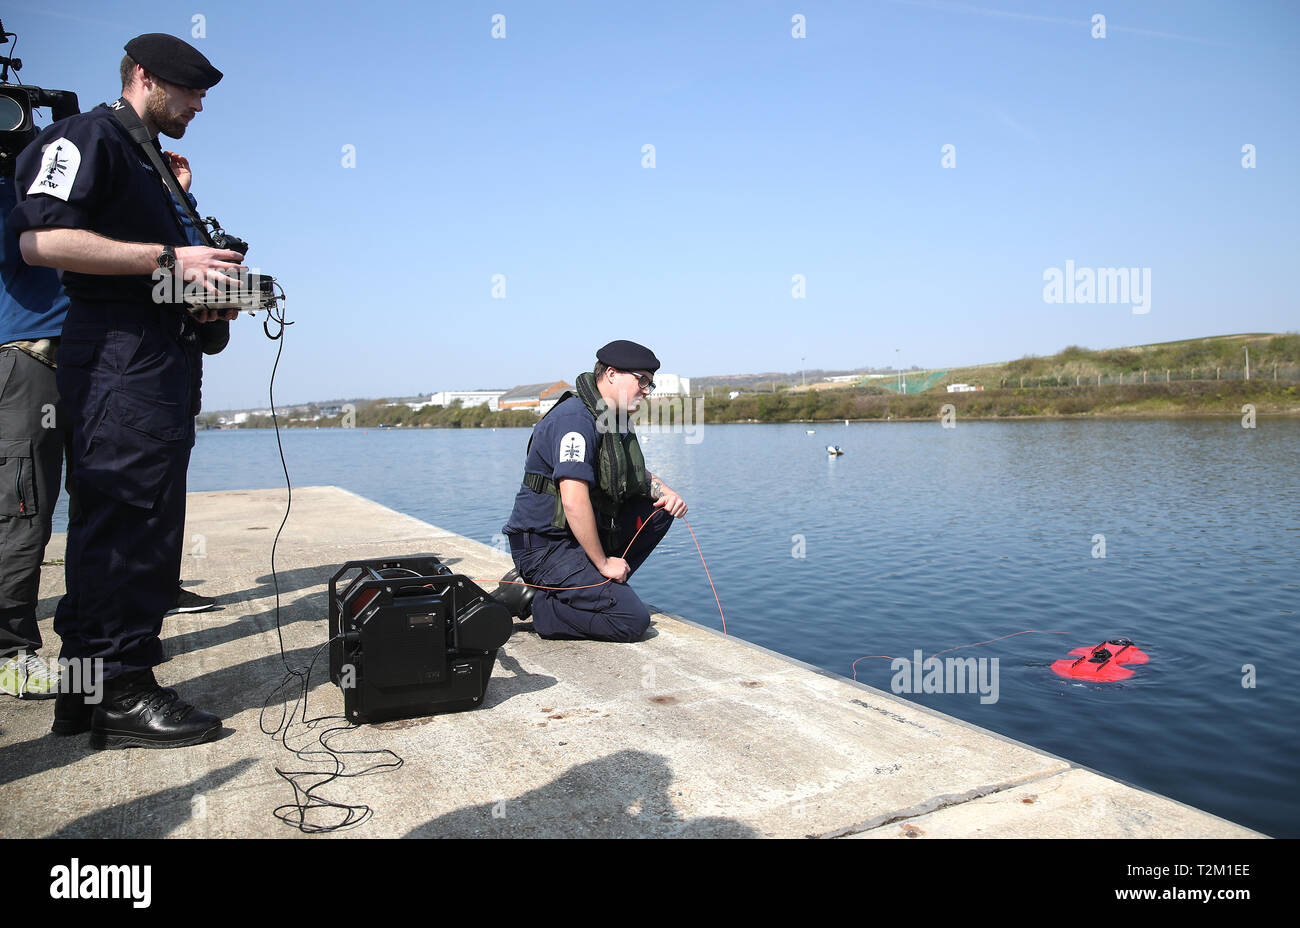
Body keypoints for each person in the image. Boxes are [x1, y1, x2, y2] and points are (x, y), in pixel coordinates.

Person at [10, 33, 241, 747]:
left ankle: (84, 692)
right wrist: (171, 257)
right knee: (131, 526)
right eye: (190, 91)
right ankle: (124, 690)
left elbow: (144, 270)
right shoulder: (87, 137)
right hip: (120, 362)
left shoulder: (152, 164)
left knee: (116, 521)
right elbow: (40, 242)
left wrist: (200, 291)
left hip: (151, 358)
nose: (199, 105)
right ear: (145, 78)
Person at [499, 340, 688, 642]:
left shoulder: (612, 418)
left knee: (659, 510)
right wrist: (602, 563)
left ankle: (591, 588)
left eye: (650, 385)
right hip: (545, 546)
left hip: (577, 538)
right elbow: (573, 502)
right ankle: (539, 602)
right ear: (611, 374)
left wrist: (667, 492)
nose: (646, 390)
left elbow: (633, 475)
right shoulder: (575, 420)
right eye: (641, 381)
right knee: (630, 621)